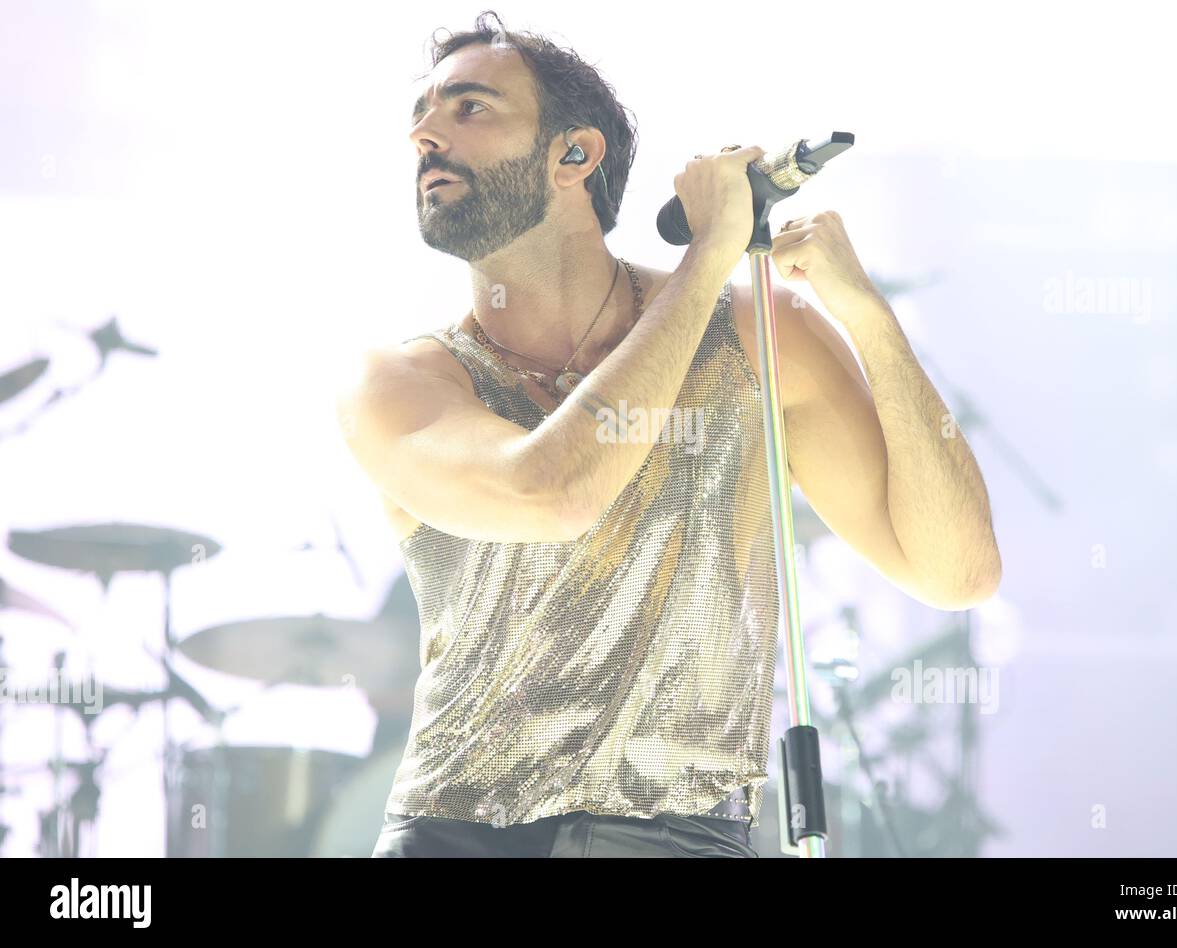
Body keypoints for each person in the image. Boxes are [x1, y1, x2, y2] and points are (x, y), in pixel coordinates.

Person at [336, 11, 1001, 858]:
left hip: (687, 837)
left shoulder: (761, 338)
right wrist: (709, 257)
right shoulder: (400, 383)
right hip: (461, 836)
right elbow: (556, 491)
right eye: (423, 115)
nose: (423, 133)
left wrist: (869, 318)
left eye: (468, 108)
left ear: (574, 156)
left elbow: (959, 571)